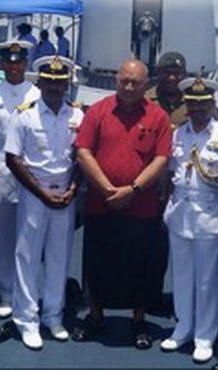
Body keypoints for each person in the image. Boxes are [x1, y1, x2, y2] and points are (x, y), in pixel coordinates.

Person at [71, 59, 173, 350]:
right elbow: (83, 152)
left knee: (139, 265)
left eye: (136, 82)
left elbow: (161, 160)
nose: (129, 87)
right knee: (98, 262)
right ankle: (96, 315)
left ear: (146, 84)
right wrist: (106, 188)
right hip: (100, 204)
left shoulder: (158, 117)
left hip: (141, 206)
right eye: (124, 80)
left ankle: (138, 319)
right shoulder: (99, 111)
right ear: (117, 79)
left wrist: (133, 189)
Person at [5, 55, 84, 350]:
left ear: (66, 84)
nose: (54, 87)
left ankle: (53, 315)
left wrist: (73, 189)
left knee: (59, 256)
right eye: (49, 81)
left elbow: (81, 158)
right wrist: (41, 193)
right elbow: (12, 158)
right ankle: (26, 320)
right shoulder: (24, 115)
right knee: (27, 257)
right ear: (39, 82)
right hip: (34, 195)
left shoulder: (77, 116)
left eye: (60, 82)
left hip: (65, 195)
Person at [161, 78, 218, 364]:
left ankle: (205, 335)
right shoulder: (179, 134)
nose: (198, 110)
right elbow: (171, 173)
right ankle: (183, 327)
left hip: (209, 215)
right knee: (180, 274)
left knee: (206, 280)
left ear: (213, 104)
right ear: (186, 106)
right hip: (180, 213)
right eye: (192, 104)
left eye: (203, 104)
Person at [0, 40, 41, 319]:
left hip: (33, 178)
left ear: (26, 63)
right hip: (1, 176)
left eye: (19, 62)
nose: (14, 66)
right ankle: (6, 293)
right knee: (4, 241)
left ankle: (28, 293)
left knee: (31, 240)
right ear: (1, 64)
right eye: (9, 61)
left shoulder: (39, 95)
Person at [145, 51, 188, 129]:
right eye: (167, 73)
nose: (172, 78)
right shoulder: (145, 101)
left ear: (185, 74)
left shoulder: (193, 101)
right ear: (157, 73)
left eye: (177, 73)